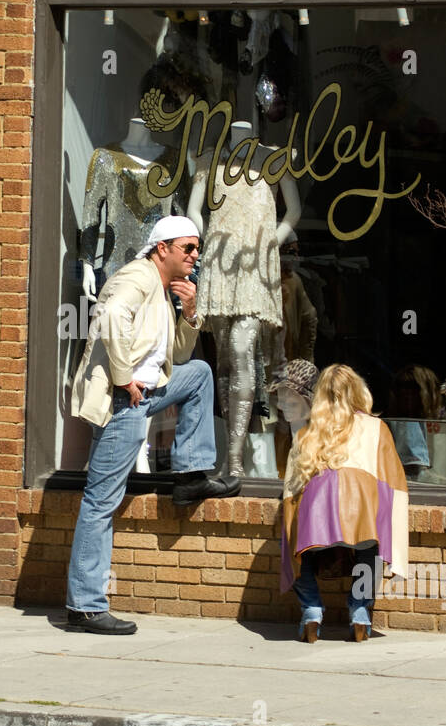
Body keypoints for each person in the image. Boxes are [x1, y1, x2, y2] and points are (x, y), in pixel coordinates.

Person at [67, 215, 240, 634]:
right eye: (189, 248)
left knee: (198, 372)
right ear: (162, 248)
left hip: (149, 388)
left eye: (197, 249)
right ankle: (85, 606)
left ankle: (190, 475)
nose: (195, 257)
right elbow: (108, 318)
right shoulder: (137, 278)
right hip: (124, 401)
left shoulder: (163, 291)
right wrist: (124, 376)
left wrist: (191, 312)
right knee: (101, 500)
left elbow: (177, 355)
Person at [281, 364, 409, 643]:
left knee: (300, 553)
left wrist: (292, 532)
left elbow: (290, 491)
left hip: (317, 523)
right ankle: (360, 612)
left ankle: (312, 610)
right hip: (361, 519)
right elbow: (394, 483)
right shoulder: (378, 428)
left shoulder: (307, 432)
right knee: (369, 550)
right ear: (358, 391)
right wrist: (389, 534)